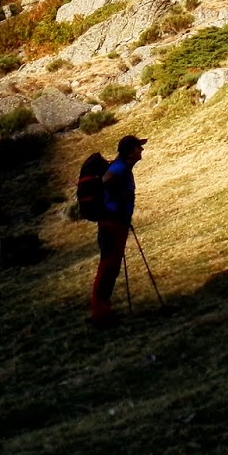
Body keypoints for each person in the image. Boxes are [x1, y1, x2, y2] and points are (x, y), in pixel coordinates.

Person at [89, 134, 145, 327]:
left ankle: (103, 310)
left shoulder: (123, 167)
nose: (142, 150)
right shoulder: (119, 168)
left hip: (116, 223)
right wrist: (119, 198)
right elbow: (106, 180)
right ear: (130, 152)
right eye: (139, 147)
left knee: (111, 268)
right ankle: (100, 314)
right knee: (108, 267)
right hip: (112, 224)